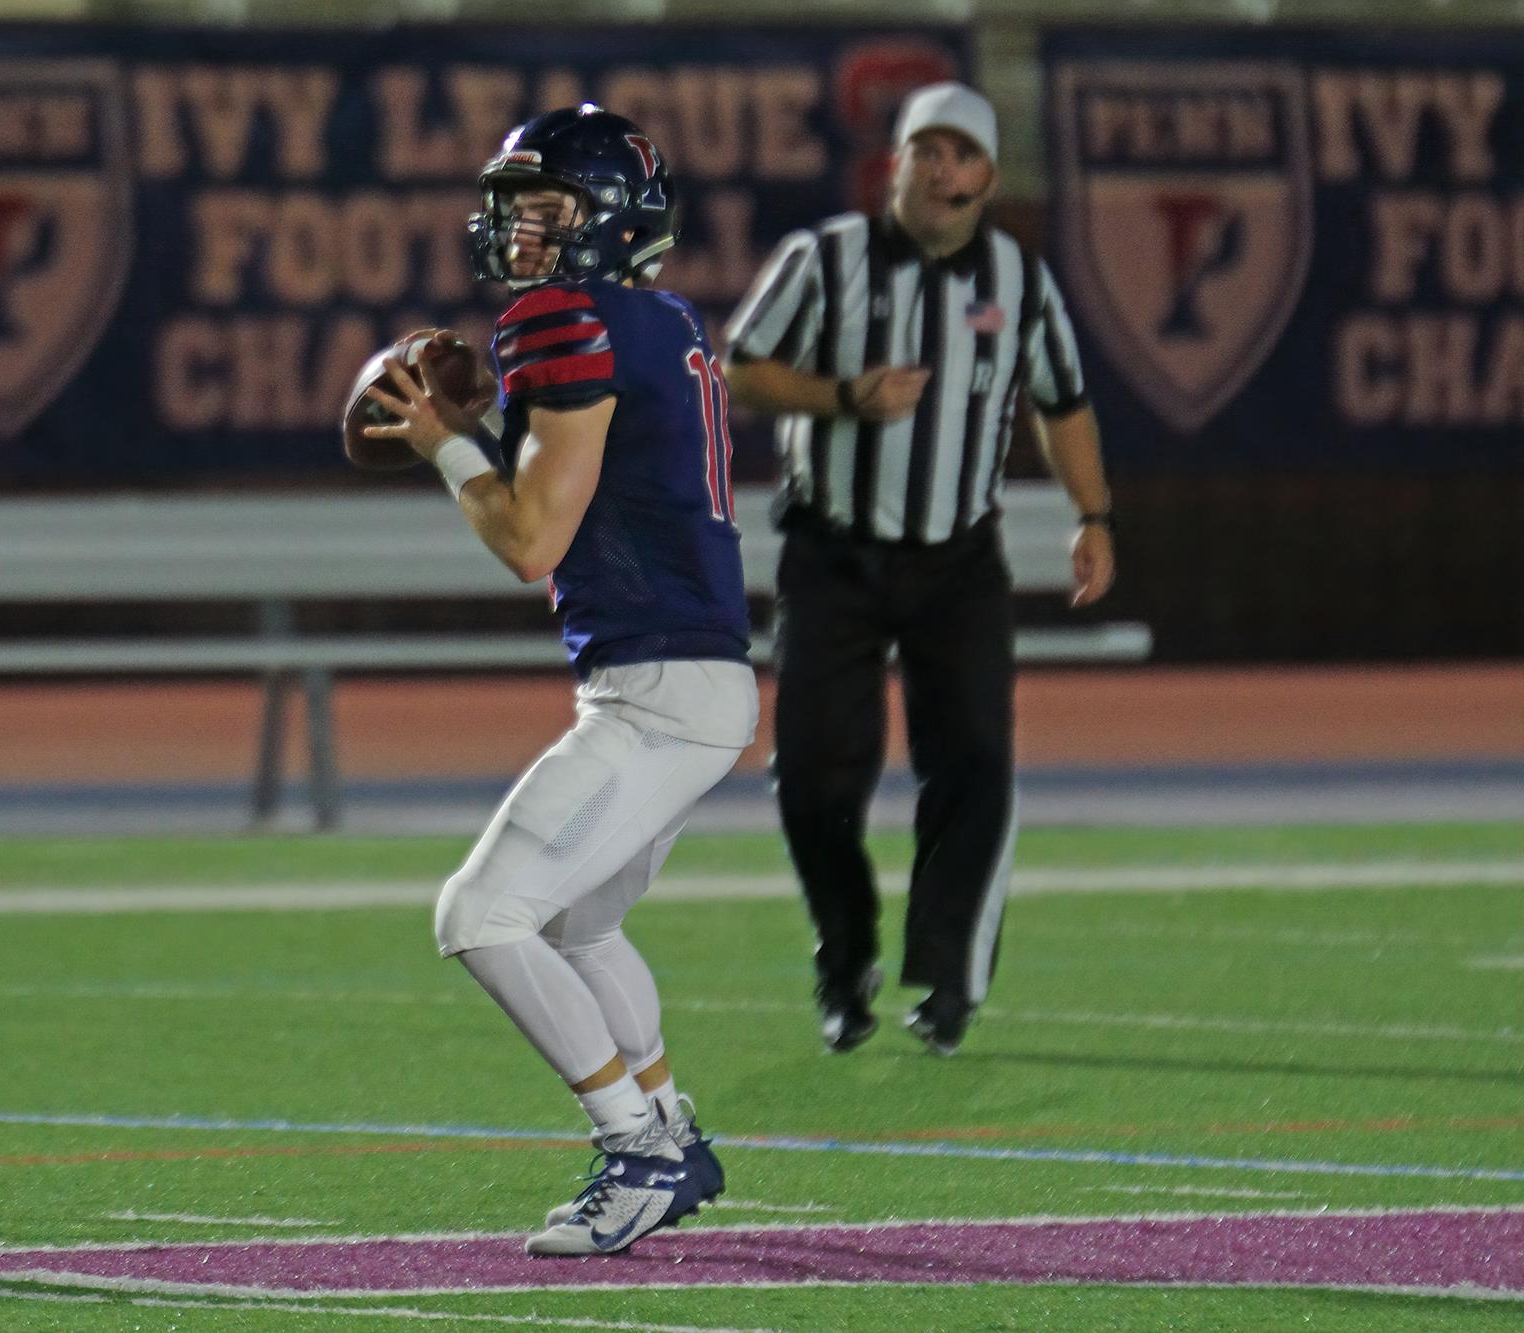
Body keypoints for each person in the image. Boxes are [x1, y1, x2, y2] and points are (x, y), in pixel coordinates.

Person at [361, 104, 756, 1258]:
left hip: (658, 688)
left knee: (478, 916)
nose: (521, 238)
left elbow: (532, 538)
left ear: (607, 219)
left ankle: (633, 1148)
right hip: (688, 678)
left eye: (546, 214)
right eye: (515, 213)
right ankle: (670, 1129)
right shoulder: (655, 318)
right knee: (582, 925)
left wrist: (442, 441)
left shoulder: (566, 318)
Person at [722, 82, 1115, 1057]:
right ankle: (843, 953)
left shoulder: (1018, 279)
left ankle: (946, 978)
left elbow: (1061, 401)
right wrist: (841, 396)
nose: (943, 172)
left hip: (955, 559)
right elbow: (739, 365)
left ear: (987, 177)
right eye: (924, 152)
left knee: (975, 761)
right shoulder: (824, 259)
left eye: (962, 156)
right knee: (811, 770)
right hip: (834, 549)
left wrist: (1092, 513)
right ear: (892, 162)